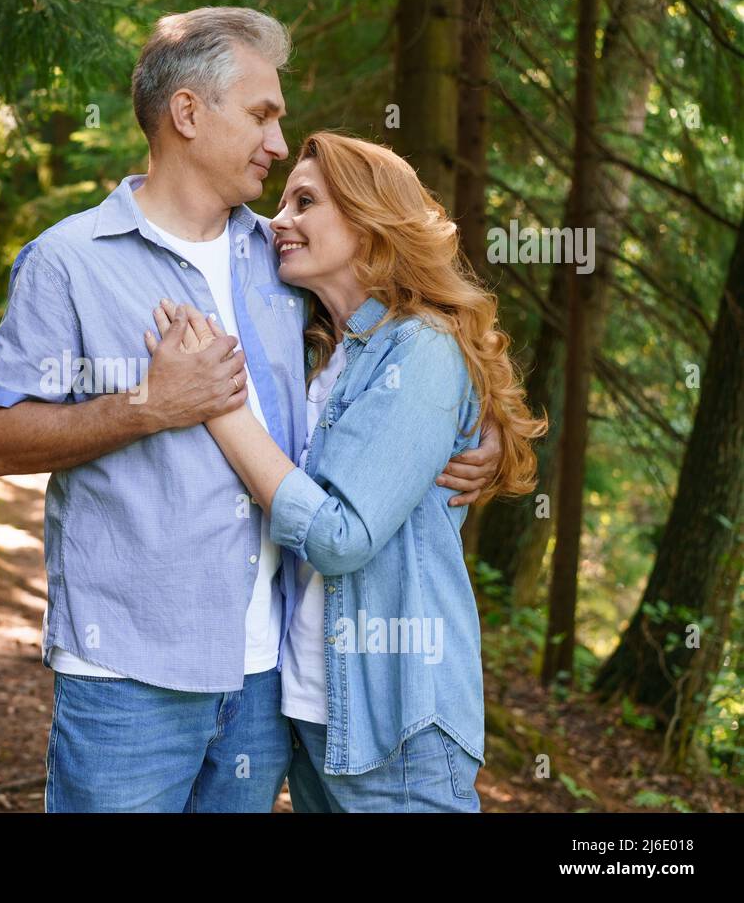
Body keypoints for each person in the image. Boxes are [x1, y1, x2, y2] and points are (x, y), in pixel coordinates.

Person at [0, 8, 502, 812]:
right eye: (262, 115)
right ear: (187, 113)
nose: (278, 143)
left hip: (267, 683)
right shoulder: (68, 263)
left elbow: (412, 333)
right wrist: (149, 404)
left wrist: (479, 425)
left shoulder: (282, 261)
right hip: (129, 677)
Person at [145, 130, 546, 811]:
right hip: (313, 718)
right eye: (282, 202)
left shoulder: (420, 348)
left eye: (306, 202)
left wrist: (217, 405)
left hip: (397, 725)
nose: (280, 221)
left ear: (368, 223)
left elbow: (338, 538)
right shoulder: (327, 355)